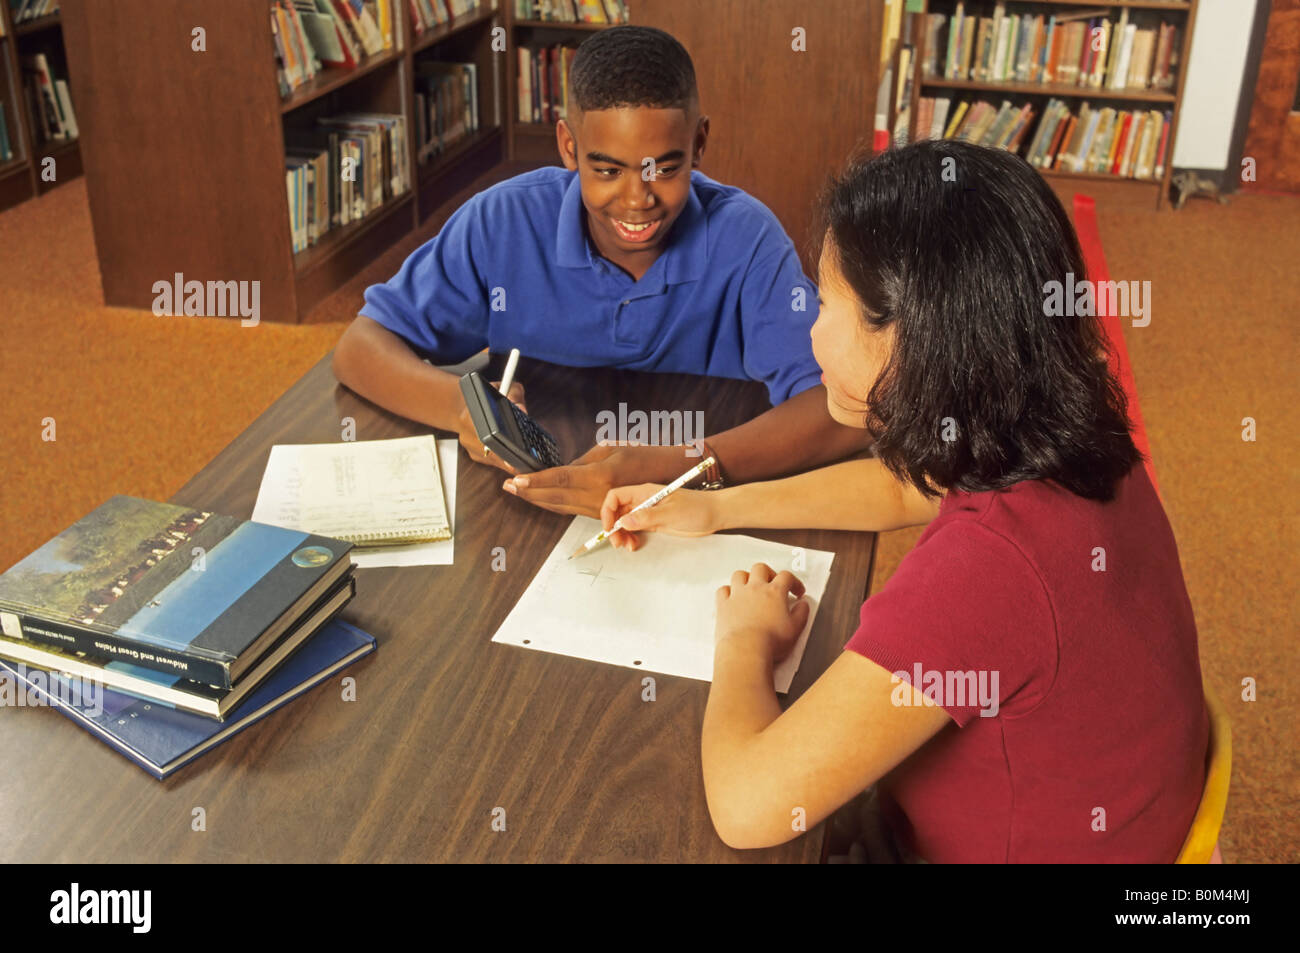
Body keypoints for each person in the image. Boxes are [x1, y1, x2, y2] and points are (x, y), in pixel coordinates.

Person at [597, 140, 1209, 862]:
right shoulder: (1063, 434)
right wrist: (719, 506)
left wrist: (744, 641)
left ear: (914, 338)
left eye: (825, 302)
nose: (811, 330)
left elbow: (747, 804)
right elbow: (904, 484)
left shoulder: (992, 565)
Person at [332, 26, 866, 517]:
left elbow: (842, 412)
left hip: (696, 506)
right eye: (606, 169)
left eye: (666, 168)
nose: (637, 199)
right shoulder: (502, 222)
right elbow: (361, 346)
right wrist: (461, 409)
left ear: (699, 143)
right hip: (528, 504)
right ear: (569, 146)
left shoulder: (748, 240)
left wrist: (677, 465)